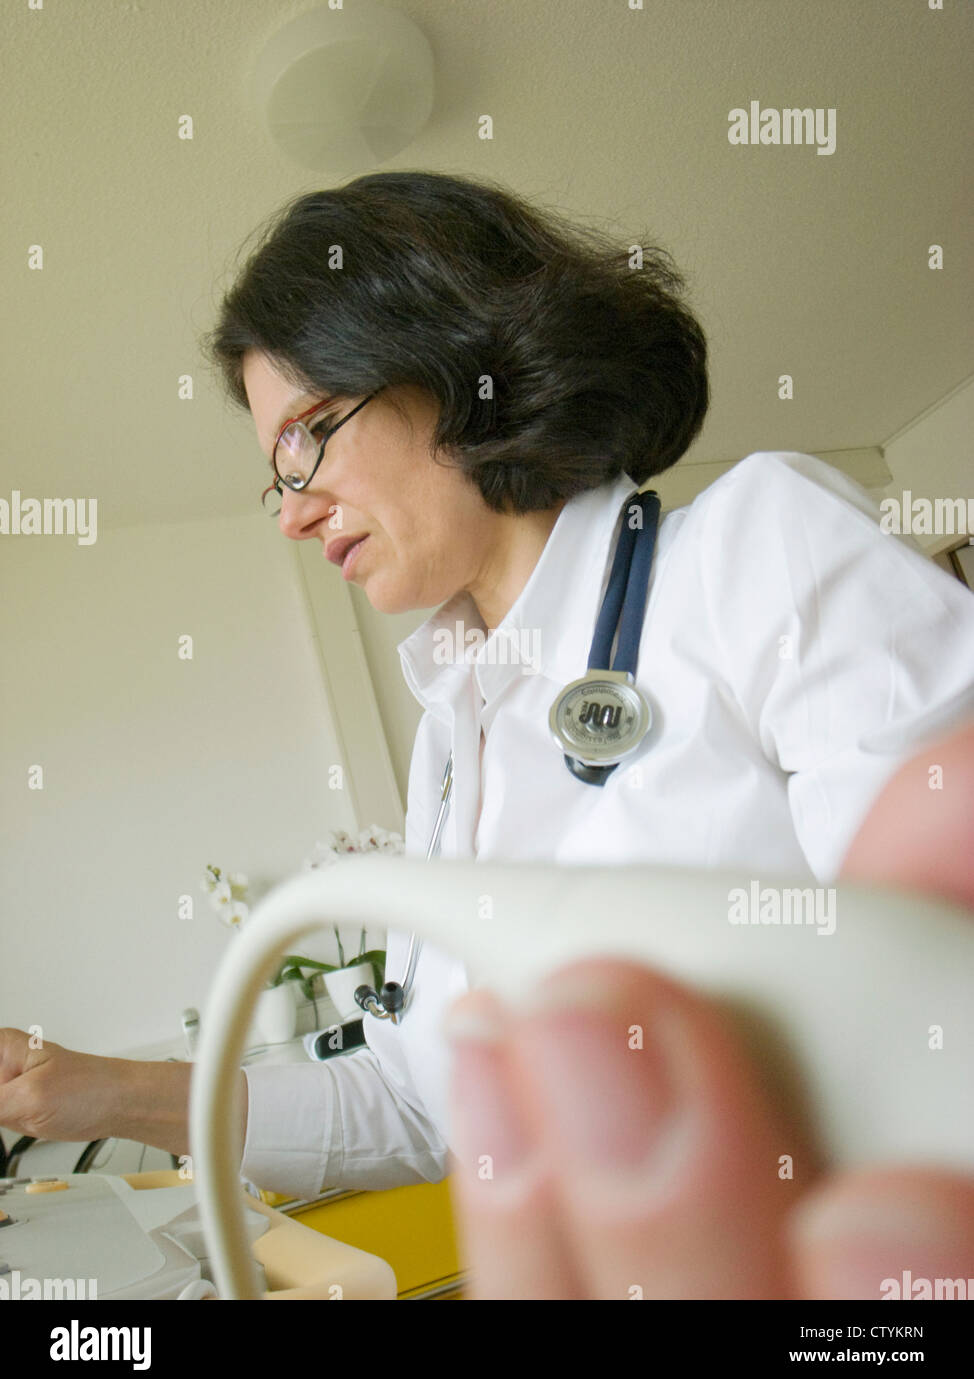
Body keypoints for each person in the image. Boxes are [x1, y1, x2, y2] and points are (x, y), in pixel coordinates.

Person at [2, 172, 973, 1300]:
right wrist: (83, 1092)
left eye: (310, 435)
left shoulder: (755, 551)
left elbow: (936, 1001)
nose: (291, 509)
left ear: (460, 366)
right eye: (275, 472)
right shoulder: (450, 743)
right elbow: (423, 1101)